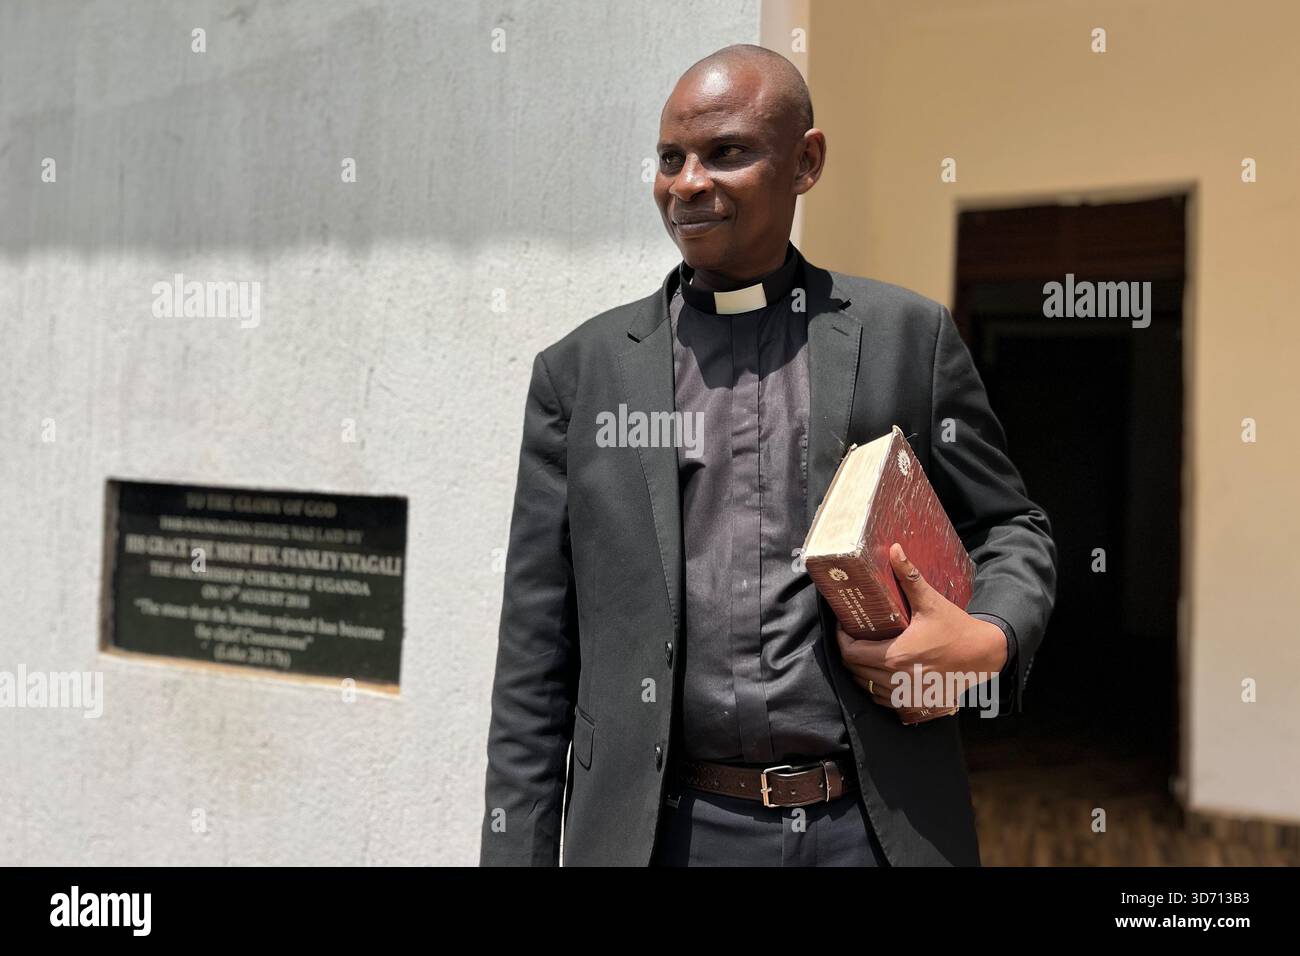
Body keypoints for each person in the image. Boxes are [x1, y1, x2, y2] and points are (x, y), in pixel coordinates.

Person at [479, 44, 1057, 867]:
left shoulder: (906, 339)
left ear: (806, 162)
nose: (686, 183)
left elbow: (1013, 525)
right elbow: (533, 661)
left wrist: (990, 637)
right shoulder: (581, 375)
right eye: (670, 159)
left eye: (727, 153)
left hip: (872, 826)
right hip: (663, 836)